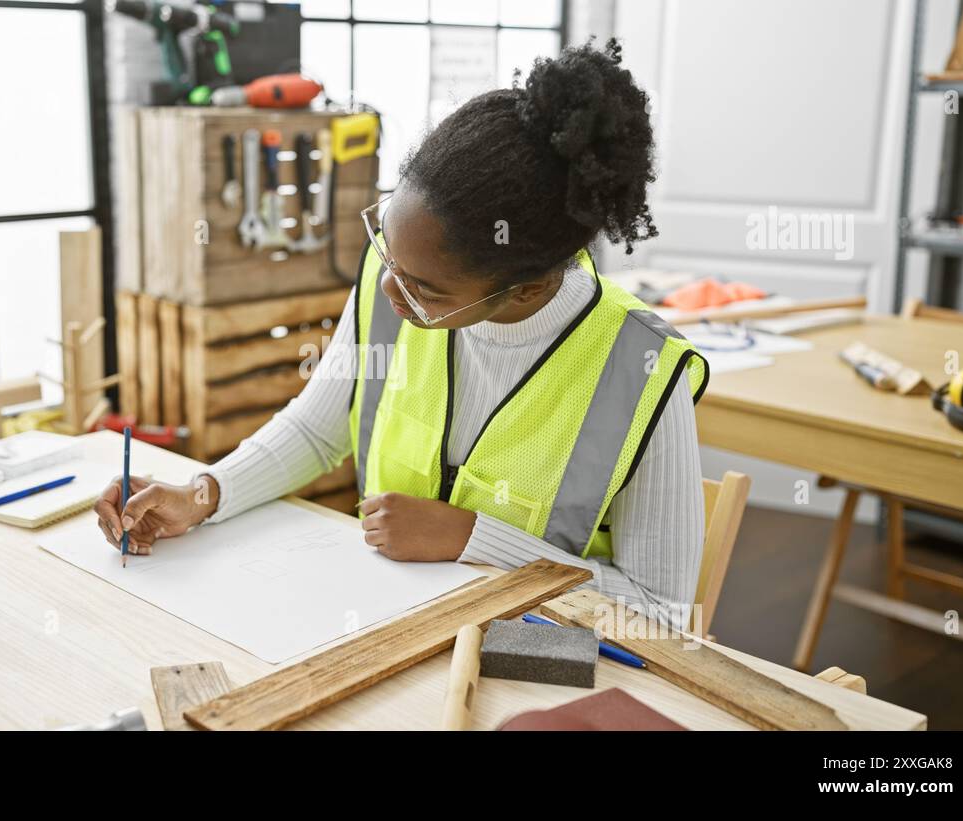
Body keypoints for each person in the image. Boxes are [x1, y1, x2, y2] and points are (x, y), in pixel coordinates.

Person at [95, 39, 710, 627]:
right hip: (383, 624)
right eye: (386, 251)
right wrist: (203, 494)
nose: (392, 291)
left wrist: (475, 539)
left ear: (524, 288)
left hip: (530, 670)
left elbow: (661, 611)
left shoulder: (642, 370)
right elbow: (316, 429)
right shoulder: (399, 276)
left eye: (427, 290)